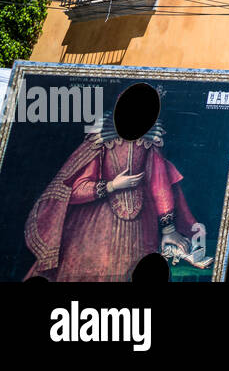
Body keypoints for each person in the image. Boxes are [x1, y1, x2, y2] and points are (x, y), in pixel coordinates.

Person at [24, 117, 200, 281]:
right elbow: (75, 190)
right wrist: (111, 185)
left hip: (141, 228)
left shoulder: (149, 142)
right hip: (94, 229)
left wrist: (168, 230)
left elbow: (159, 184)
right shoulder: (100, 141)